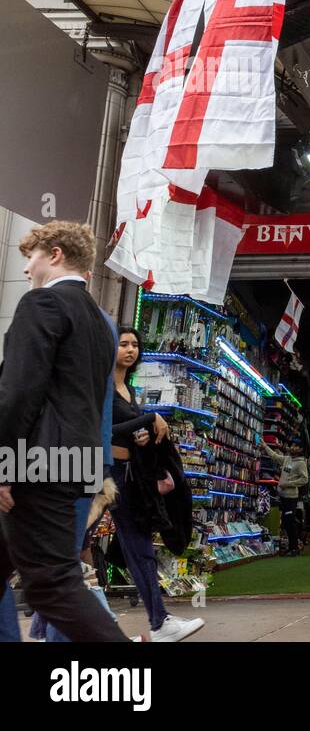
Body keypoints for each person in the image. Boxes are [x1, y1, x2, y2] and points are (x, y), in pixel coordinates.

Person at [0, 221, 127, 641]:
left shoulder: (42, 304)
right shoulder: (99, 320)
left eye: (30, 257)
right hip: (76, 464)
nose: (26, 269)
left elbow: (18, 392)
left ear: (54, 254)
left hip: (37, 462)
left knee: (53, 583)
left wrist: (2, 464)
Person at [108, 326, 204, 641]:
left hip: (129, 474)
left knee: (139, 546)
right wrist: (148, 419)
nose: (130, 349)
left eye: (135, 344)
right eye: (123, 344)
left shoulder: (129, 390)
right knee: (76, 548)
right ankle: (159, 622)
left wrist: (145, 433)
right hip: (105, 475)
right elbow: (107, 429)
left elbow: (126, 431)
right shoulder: (101, 387)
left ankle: (159, 622)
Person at [261, 435, 310, 556]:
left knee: (290, 522)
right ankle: (292, 547)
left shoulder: (301, 463)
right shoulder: (288, 459)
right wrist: (264, 445)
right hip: (283, 496)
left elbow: (305, 479)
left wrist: (288, 484)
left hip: (291, 497)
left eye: (295, 446)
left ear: (300, 449)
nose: (292, 447)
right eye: (291, 445)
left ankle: (294, 548)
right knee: (287, 522)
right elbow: (274, 456)